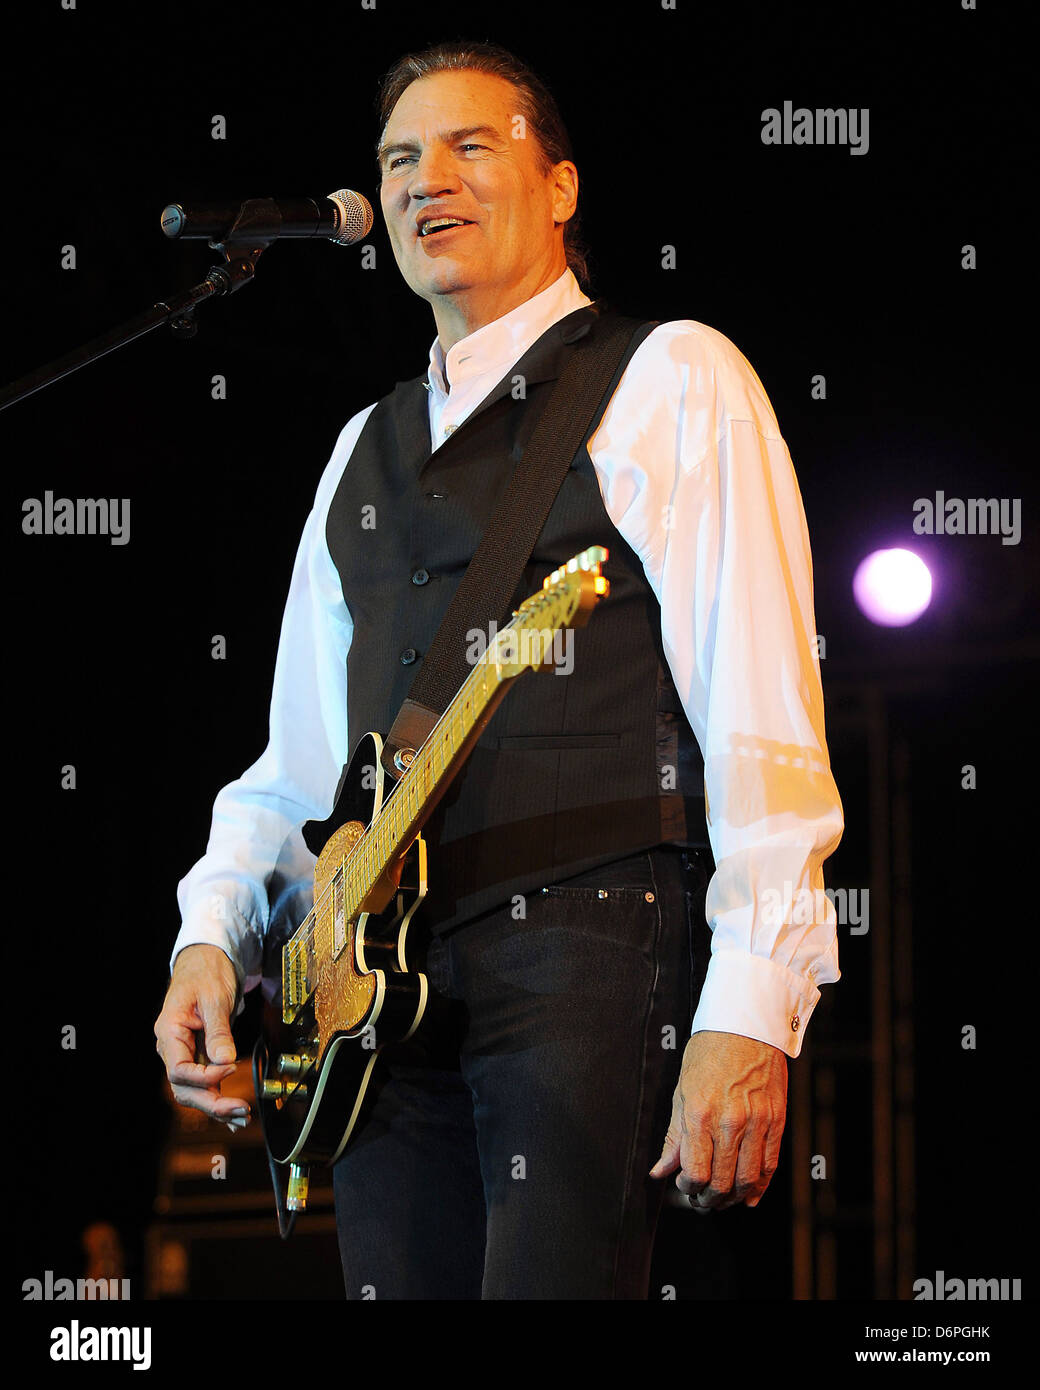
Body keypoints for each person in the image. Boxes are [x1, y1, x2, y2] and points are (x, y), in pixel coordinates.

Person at [154, 40, 844, 1300]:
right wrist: (213, 935)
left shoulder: (672, 374)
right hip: (372, 997)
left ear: (563, 186)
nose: (427, 179)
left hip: (584, 942)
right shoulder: (359, 449)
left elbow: (762, 717)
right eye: (400, 158)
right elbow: (299, 762)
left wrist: (750, 1006)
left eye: (472, 145)